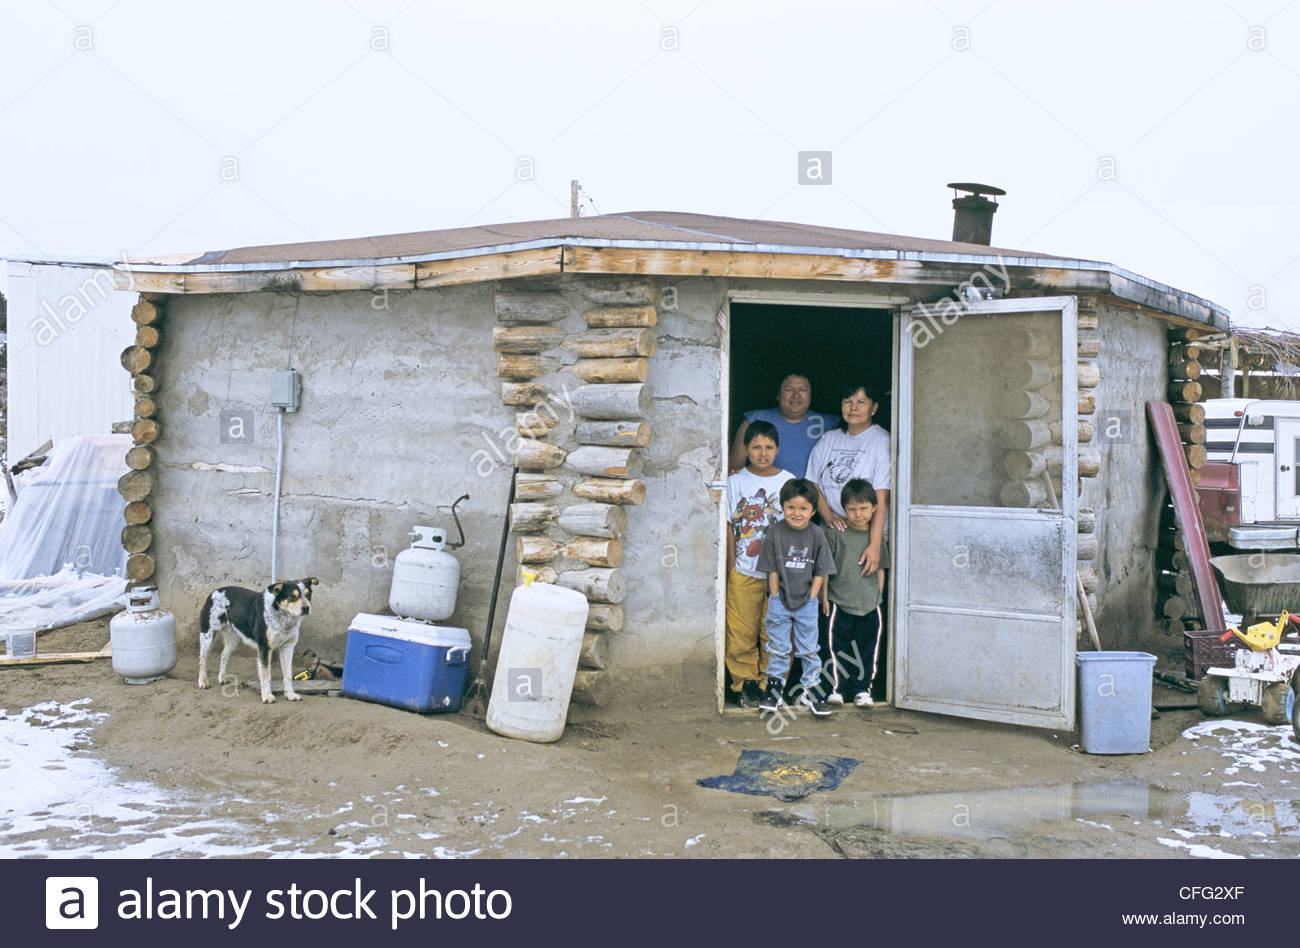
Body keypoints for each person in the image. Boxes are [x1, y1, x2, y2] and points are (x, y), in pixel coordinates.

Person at [725, 421, 796, 708]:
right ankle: (745, 682)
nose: (762, 453)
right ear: (745, 449)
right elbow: (730, 528)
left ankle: (773, 682)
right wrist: (731, 567)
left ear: (778, 449)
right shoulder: (735, 482)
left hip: (779, 572)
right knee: (741, 629)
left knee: (776, 628)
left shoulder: (788, 482)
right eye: (756, 447)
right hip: (744, 568)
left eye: (768, 447)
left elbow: (796, 527)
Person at [755, 478, 836, 717]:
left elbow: (821, 570)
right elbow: (771, 568)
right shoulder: (776, 532)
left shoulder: (817, 535)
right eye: (791, 507)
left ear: (812, 510)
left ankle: (812, 690)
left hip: (807, 602)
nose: (796, 513)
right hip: (780, 600)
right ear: (782, 507)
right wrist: (774, 596)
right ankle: (774, 688)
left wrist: (814, 597)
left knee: (809, 648)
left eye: (803, 508)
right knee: (778, 647)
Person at [806, 382, 891, 577]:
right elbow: (812, 483)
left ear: (874, 408)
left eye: (861, 402)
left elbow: (881, 497)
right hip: (833, 535)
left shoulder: (881, 440)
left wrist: (875, 545)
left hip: (865, 534)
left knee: (860, 594)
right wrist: (829, 518)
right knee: (828, 593)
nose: (853, 407)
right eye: (848, 402)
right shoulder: (829, 439)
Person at [819, 479, 885, 707]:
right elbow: (825, 568)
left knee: (866, 648)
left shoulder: (876, 539)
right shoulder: (836, 533)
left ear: (874, 508)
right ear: (843, 509)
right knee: (836, 648)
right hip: (839, 602)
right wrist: (824, 596)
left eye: (864, 508)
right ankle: (835, 688)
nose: (858, 514)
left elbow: (881, 570)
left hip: (869, 604)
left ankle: (862, 689)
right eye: (852, 509)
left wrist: (877, 597)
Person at [729, 373, 838, 477]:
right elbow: (734, 469)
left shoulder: (830, 423)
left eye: (803, 390)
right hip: (768, 494)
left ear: (811, 394)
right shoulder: (754, 420)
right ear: (778, 394)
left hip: (815, 494)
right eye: (789, 389)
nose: (796, 396)